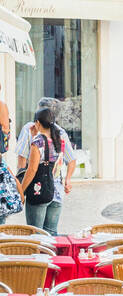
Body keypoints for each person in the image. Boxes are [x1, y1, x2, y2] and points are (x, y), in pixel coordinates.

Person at [15, 99, 76, 234]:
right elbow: (71, 159)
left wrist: (21, 190)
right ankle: (52, 255)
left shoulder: (37, 142)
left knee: (36, 234)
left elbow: (32, 169)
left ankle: (40, 256)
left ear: (37, 123)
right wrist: (67, 180)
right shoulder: (60, 137)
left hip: (39, 190)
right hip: (57, 191)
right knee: (52, 233)